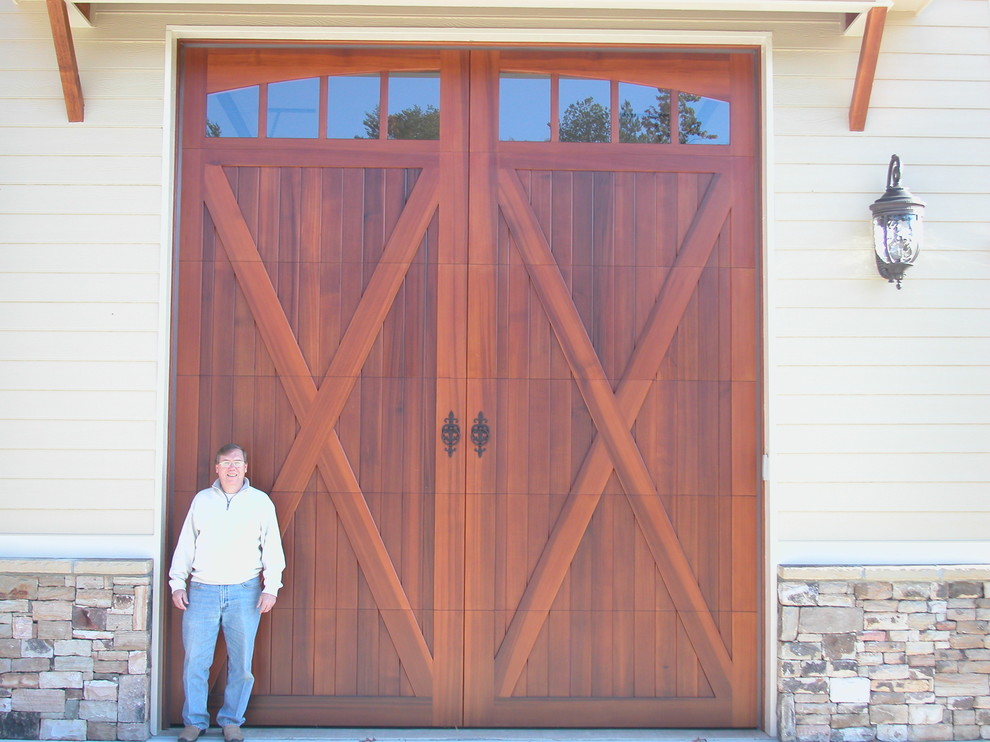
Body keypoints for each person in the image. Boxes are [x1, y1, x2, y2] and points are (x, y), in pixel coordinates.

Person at [168, 443, 285, 742]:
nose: (231, 467)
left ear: (246, 467)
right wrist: (177, 583)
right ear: (217, 468)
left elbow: (272, 548)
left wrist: (271, 588)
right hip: (202, 591)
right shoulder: (202, 501)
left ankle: (232, 721)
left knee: (241, 663)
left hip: (244, 591)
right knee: (195, 661)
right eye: (225, 462)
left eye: (237, 462)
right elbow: (186, 544)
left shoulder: (260, 503)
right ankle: (194, 722)